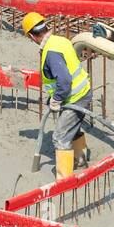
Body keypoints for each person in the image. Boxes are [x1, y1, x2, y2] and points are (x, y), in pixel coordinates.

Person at [22, 11, 91, 177]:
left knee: (60, 137)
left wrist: (57, 99)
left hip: (75, 97)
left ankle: (64, 179)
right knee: (71, 128)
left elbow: (65, 81)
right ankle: (80, 161)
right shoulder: (60, 40)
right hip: (81, 92)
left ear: (32, 36)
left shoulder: (51, 52)